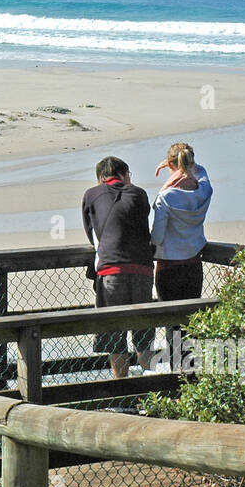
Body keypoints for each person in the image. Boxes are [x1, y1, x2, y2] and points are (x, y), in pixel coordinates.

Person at [81, 156, 154, 377]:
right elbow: (144, 222)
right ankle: (150, 389)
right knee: (143, 335)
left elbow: (91, 232)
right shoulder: (139, 193)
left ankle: (122, 392)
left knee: (114, 336)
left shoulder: (91, 195)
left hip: (111, 271)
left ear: (100, 177)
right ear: (123, 174)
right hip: (142, 269)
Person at [151, 142, 213, 367]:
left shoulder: (165, 197)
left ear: (169, 165)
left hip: (168, 268)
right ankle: (193, 378)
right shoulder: (203, 191)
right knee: (191, 323)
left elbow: (157, 238)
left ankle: (178, 381)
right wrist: (186, 167)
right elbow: (202, 173)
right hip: (193, 266)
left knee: (172, 326)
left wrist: (170, 178)